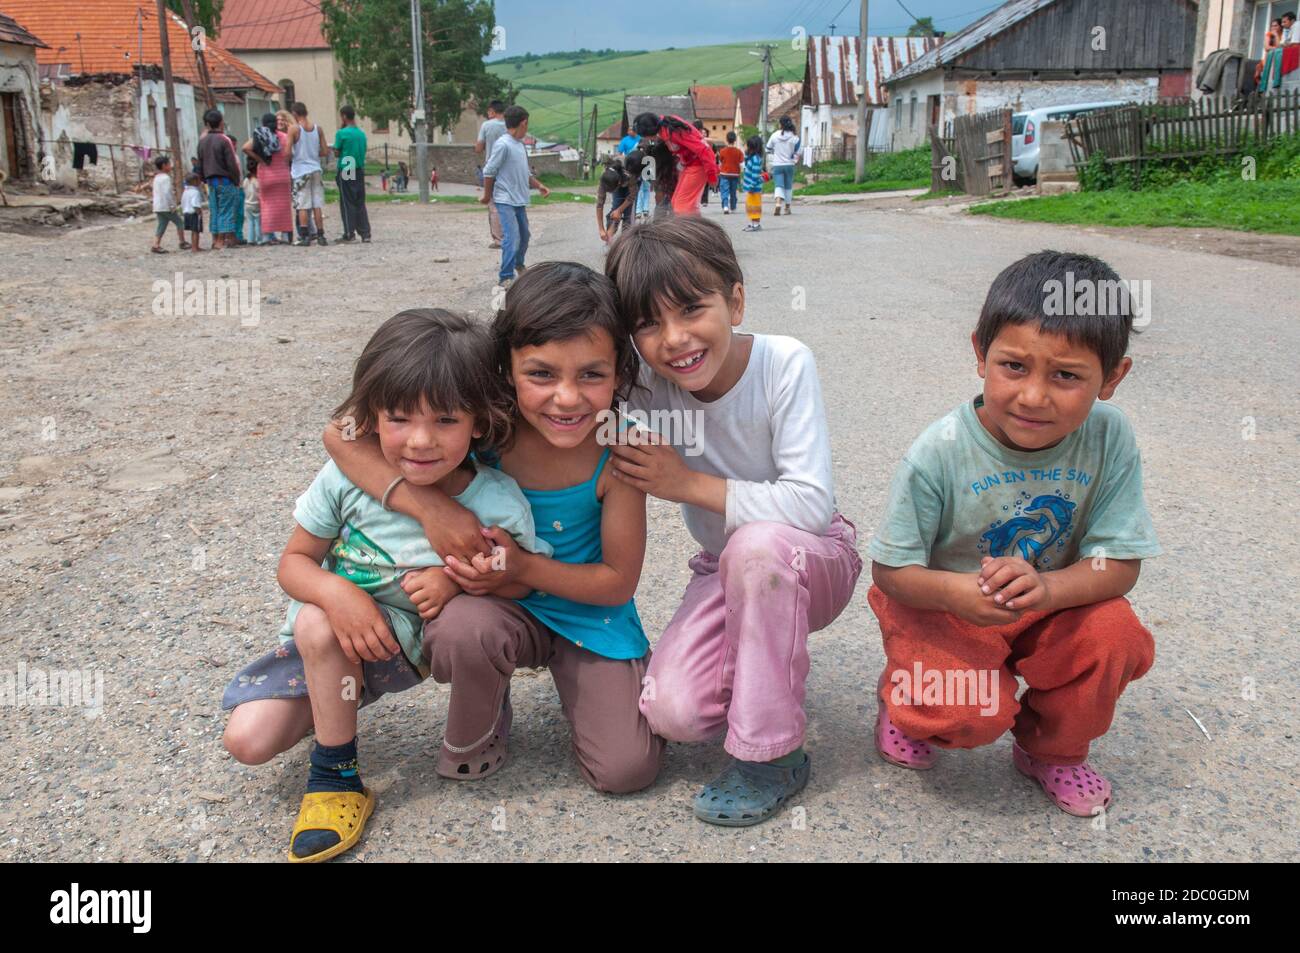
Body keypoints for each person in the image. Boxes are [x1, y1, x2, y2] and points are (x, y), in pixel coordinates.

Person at [322, 262, 663, 796]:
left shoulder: (621, 450)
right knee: (464, 632)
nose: (567, 397)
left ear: (620, 373)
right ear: (504, 369)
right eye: (541, 374)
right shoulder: (485, 426)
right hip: (496, 606)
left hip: (589, 617)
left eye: (591, 374)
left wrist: (523, 565)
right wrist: (432, 509)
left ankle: (605, 683)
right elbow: (339, 433)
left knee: (627, 771)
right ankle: (482, 713)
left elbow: (617, 582)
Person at [222, 309, 550, 862]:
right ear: (371, 416)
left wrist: (457, 581)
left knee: (314, 621)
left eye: (446, 420)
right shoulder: (345, 479)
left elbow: (519, 585)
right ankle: (335, 707)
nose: (420, 441)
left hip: (404, 647)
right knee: (248, 742)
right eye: (399, 418)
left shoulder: (496, 500)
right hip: (331, 644)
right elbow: (295, 563)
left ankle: (336, 778)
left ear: (480, 421)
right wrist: (337, 592)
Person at [866, 250, 1160, 817]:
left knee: (1113, 635)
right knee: (967, 716)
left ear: (1113, 378)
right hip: (941, 603)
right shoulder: (938, 452)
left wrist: (1048, 591)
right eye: (1014, 366)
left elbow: (1120, 563)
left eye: (1067, 376)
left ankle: (1053, 750)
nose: (1033, 396)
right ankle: (905, 692)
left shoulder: (1109, 436)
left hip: (1048, 604)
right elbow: (891, 571)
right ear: (980, 353)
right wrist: (955, 595)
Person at [605, 218, 862, 827]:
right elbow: (564, 403)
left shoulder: (784, 364)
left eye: (693, 309)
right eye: (647, 323)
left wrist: (685, 484)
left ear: (736, 300)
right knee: (675, 715)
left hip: (812, 556)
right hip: (724, 566)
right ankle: (764, 668)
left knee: (756, 548)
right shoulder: (644, 388)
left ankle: (772, 756)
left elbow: (808, 504)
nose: (674, 339)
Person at [480, 104, 550, 287]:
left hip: (519, 199)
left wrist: (539, 185)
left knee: (525, 235)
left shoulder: (519, 145)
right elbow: (489, 171)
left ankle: (518, 263)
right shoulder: (503, 145)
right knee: (511, 237)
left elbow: (526, 174)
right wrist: (487, 196)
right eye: (527, 125)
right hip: (504, 199)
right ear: (524, 123)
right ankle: (505, 277)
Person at [631, 112, 717, 216]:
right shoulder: (664, 126)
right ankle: (699, 230)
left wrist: (712, 175)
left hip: (698, 164)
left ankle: (692, 230)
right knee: (676, 203)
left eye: (645, 136)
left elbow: (704, 150)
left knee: (681, 208)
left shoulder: (673, 132)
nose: (647, 139)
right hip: (688, 164)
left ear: (650, 130)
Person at [244, 113, 292, 244]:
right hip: (282, 174)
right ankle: (285, 235)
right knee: (284, 206)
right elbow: (290, 153)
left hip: (266, 175)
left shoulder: (260, 136)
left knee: (267, 206)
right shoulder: (284, 137)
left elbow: (245, 148)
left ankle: (267, 236)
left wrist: (261, 160)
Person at [197, 108, 242, 249]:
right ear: (221, 122)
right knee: (226, 210)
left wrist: (203, 178)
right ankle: (222, 241)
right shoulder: (224, 140)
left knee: (214, 210)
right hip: (226, 181)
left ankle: (215, 239)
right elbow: (231, 163)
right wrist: (236, 180)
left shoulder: (202, 141)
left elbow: (200, 162)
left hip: (210, 182)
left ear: (207, 124)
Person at [288, 101, 327, 246]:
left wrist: (296, 156)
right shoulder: (318, 129)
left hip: (300, 170)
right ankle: (321, 235)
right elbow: (324, 151)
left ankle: (304, 235)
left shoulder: (294, 129)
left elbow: (287, 152)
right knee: (317, 204)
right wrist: (312, 154)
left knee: (303, 204)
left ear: (294, 114)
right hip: (315, 168)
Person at [332, 104, 371, 244]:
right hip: (359, 168)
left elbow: (337, 151)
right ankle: (365, 232)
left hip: (347, 166)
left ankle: (349, 232)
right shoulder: (361, 134)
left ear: (343, 116)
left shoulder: (341, 133)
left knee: (347, 201)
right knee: (360, 201)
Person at [475, 100, 507, 248]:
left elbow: (479, 147)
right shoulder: (509, 125)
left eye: (488, 112)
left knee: (493, 204)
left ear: (492, 111)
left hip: (492, 167)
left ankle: (498, 239)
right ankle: (512, 235)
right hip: (508, 167)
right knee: (509, 201)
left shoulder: (487, 125)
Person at [149, 155, 188, 254]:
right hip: (166, 206)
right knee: (179, 222)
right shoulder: (166, 178)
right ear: (164, 165)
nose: (171, 166)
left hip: (158, 206)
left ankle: (156, 245)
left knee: (162, 225)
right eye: (169, 164)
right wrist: (172, 205)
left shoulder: (156, 177)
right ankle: (182, 242)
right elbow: (167, 193)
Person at [766, 115, 802, 216]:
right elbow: (799, 151)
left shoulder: (774, 135)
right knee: (788, 186)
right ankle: (787, 207)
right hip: (789, 165)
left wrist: (775, 151)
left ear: (780, 124)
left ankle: (778, 203)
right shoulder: (795, 137)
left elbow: (767, 148)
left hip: (777, 164)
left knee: (778, 185)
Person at [595, 159, 635, 244]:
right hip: (616, 181)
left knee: (628, 214)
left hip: (630, 185)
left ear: (619, 183)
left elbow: (632, 196)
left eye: (611, 190)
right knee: (615, 210)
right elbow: (599, 205)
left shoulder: (629, 175)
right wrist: (601, 229)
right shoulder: (604, 179)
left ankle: (626, 243)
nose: (609, 192)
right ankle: (609, 239)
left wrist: (620, 210)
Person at [741, 134, 769, 232]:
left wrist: (751, 186)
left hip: (754, 188)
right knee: (750, 206)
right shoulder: (751, 157)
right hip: (751, 188)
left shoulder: (755, 159)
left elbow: (755, 175)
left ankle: (756, 224)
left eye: (748, 146)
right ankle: (752, 223)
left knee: (755, 207)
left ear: (752, 147)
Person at [717, 130, 743, 214]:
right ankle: (733, 207)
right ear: (735, 140)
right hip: (735, 174)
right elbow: (741, 163)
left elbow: (720, 162)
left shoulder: (722, 151)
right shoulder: (739, 152)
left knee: (725, 190)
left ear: (727, 139)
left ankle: (725, 206)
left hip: (724, 173)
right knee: (733, 191)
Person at [181, 172, 205, 252]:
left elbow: (183, 202)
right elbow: (195, 204)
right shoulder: (195, 192)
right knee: (196, 231)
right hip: (194, 213)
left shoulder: (185, 191)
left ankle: (194, 246)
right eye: (199, 180)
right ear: (194, 181)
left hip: (186, 213)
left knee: (193, 231)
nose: (200, 182)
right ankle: (195, 247)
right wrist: (199, 212)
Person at [243, 161, 262, 245]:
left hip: (247, 204)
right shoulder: (256, 181)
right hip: (256, 204)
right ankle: (259, 239)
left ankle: (250, 239)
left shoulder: (246, 180)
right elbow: (259, 191)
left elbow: (243, 188)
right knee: (257, 222)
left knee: (250, 222)